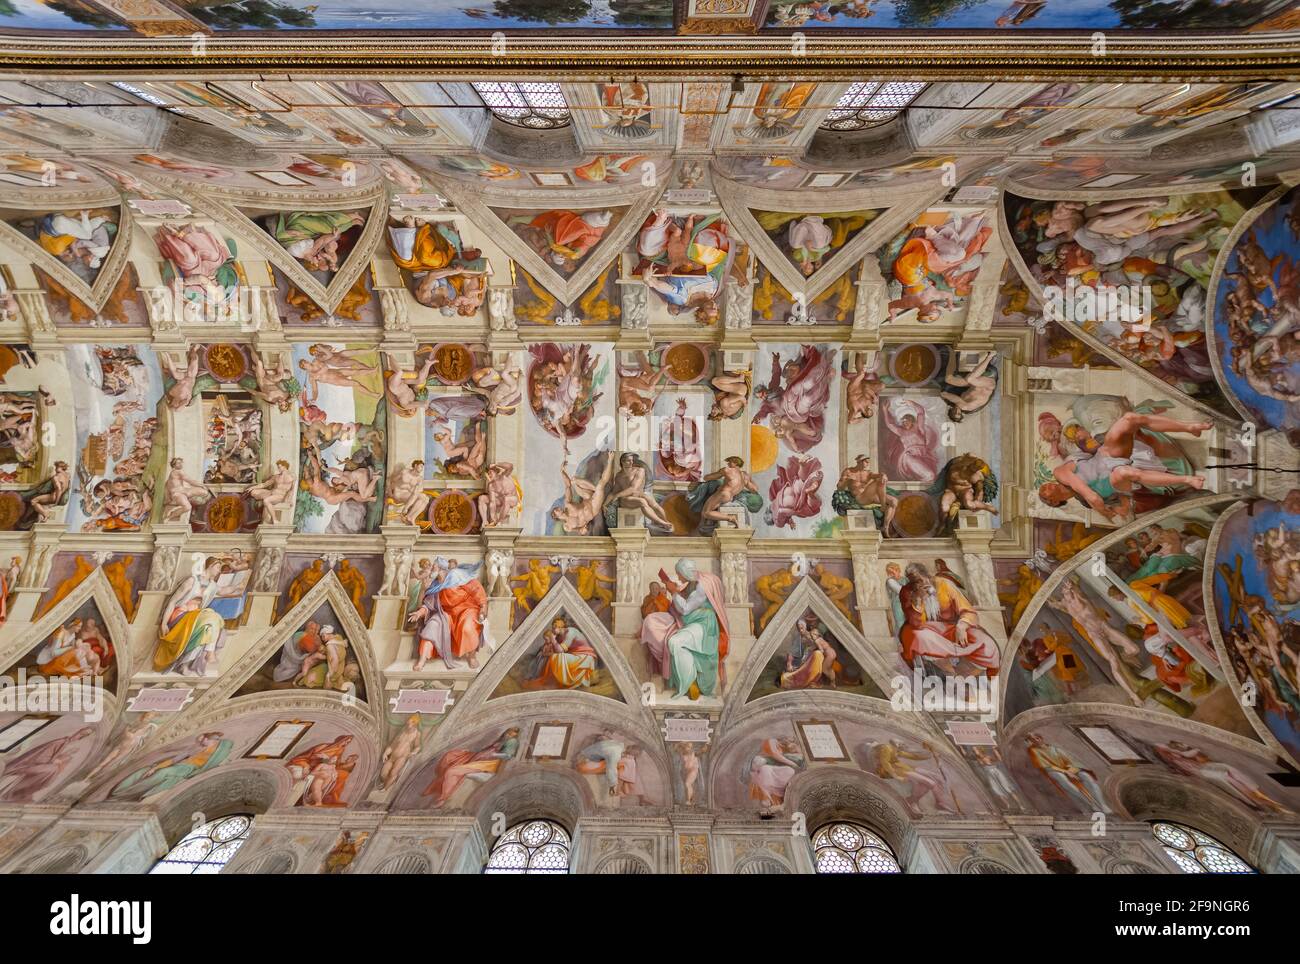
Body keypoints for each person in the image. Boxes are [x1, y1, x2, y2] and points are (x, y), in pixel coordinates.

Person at [639, 558, 730, 700]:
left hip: (703, 624)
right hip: (686, 621)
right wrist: (675, 591)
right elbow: (681, 606)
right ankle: (689, 681)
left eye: (679, 574)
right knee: (651, 621)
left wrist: (674, 592)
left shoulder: (702, 585)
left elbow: (686, 608)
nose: (680, 578)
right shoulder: (692, 582)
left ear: (684, 572)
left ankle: (688, 684)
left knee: (675, 642)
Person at [895, 562, 1000, 675]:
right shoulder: (907, 591)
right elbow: (916, 623)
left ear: (927, 576)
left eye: (919, 580)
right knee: (918, 637)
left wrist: (962, 626)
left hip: (951, 628)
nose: (917, 585)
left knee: (985, 641)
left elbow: (968, 611)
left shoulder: (944, 584)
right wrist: (918, 601)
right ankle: (945, 671)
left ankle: (971, 673)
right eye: (913, 582)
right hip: (923, 629)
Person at [407, 557, 488, 671]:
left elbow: (476, 588)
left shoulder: (456, 576)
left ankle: (471, 656)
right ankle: (422, 660)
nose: (431, 570)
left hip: (466, 609)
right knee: (432, 626)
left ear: (441, 568)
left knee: (467, 627)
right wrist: (420, 612)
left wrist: (483, 606)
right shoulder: (435, 585)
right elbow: (429, 603)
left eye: (433, 567)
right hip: (445, 614)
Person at [422, 728, 520, 807]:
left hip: (489, 763)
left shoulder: (512, 741)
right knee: (451, 755)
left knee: (452, 771)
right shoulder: (502, 740)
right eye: (507, 733)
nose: (507, 735)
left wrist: (493, 754)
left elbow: (508, 756)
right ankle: (439, 788)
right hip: (478, 757)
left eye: (510, 734)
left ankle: (443, 798)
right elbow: (486, 749)